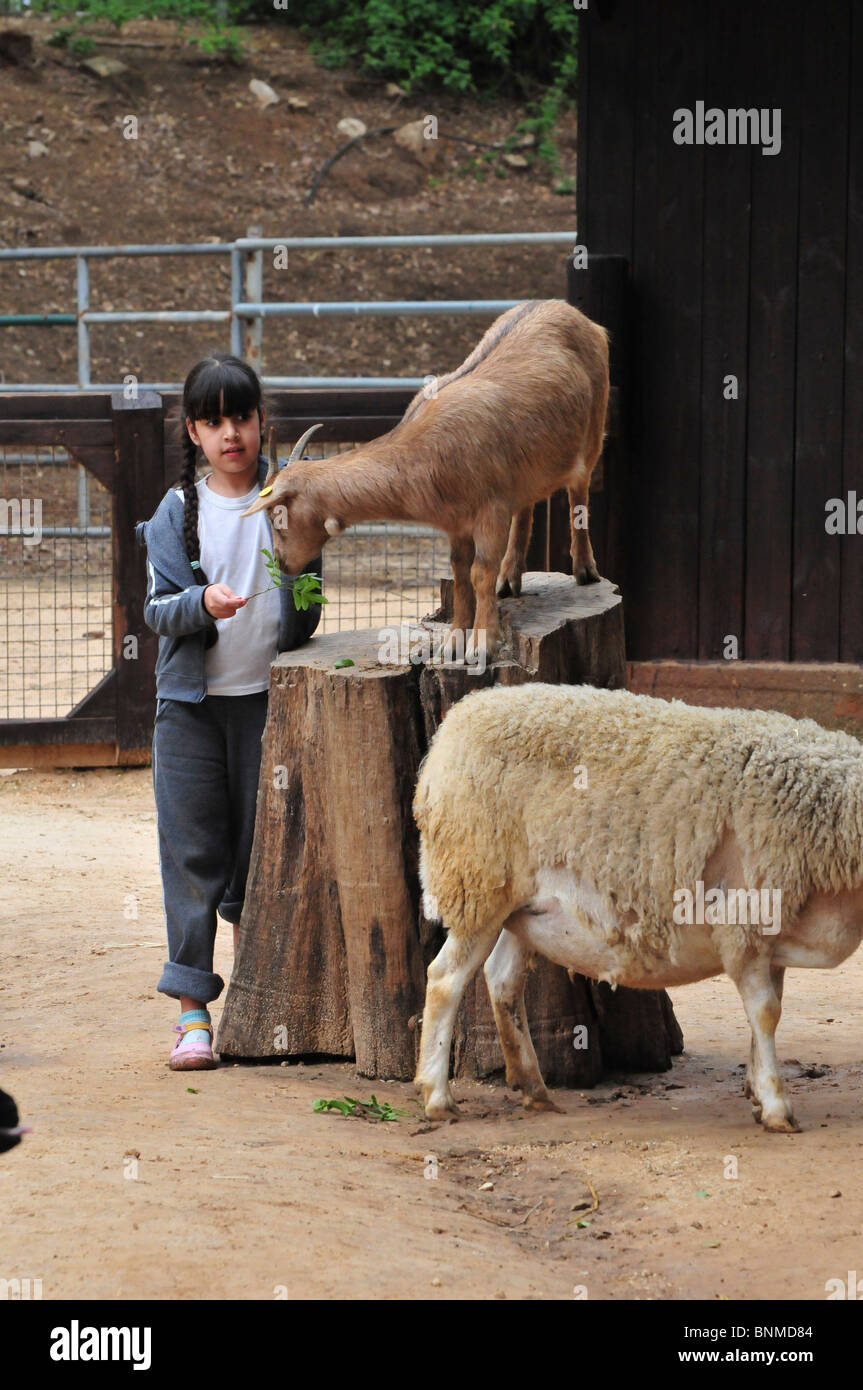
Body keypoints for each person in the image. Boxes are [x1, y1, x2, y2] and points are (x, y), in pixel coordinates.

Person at [135, 354, 322, 1070]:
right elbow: (156, 611)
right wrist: (201, 604)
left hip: (268, 710)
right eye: (213, 420)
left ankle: (254, 1003)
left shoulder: (289, 496)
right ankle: (192, 1015)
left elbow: (308, 611)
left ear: (260, 421)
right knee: (191, 856)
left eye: (240, 416)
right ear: (193, 431)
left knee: (259, 854)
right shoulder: (176, 513)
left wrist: (300, 581)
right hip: (189, 712)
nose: (230, 432)